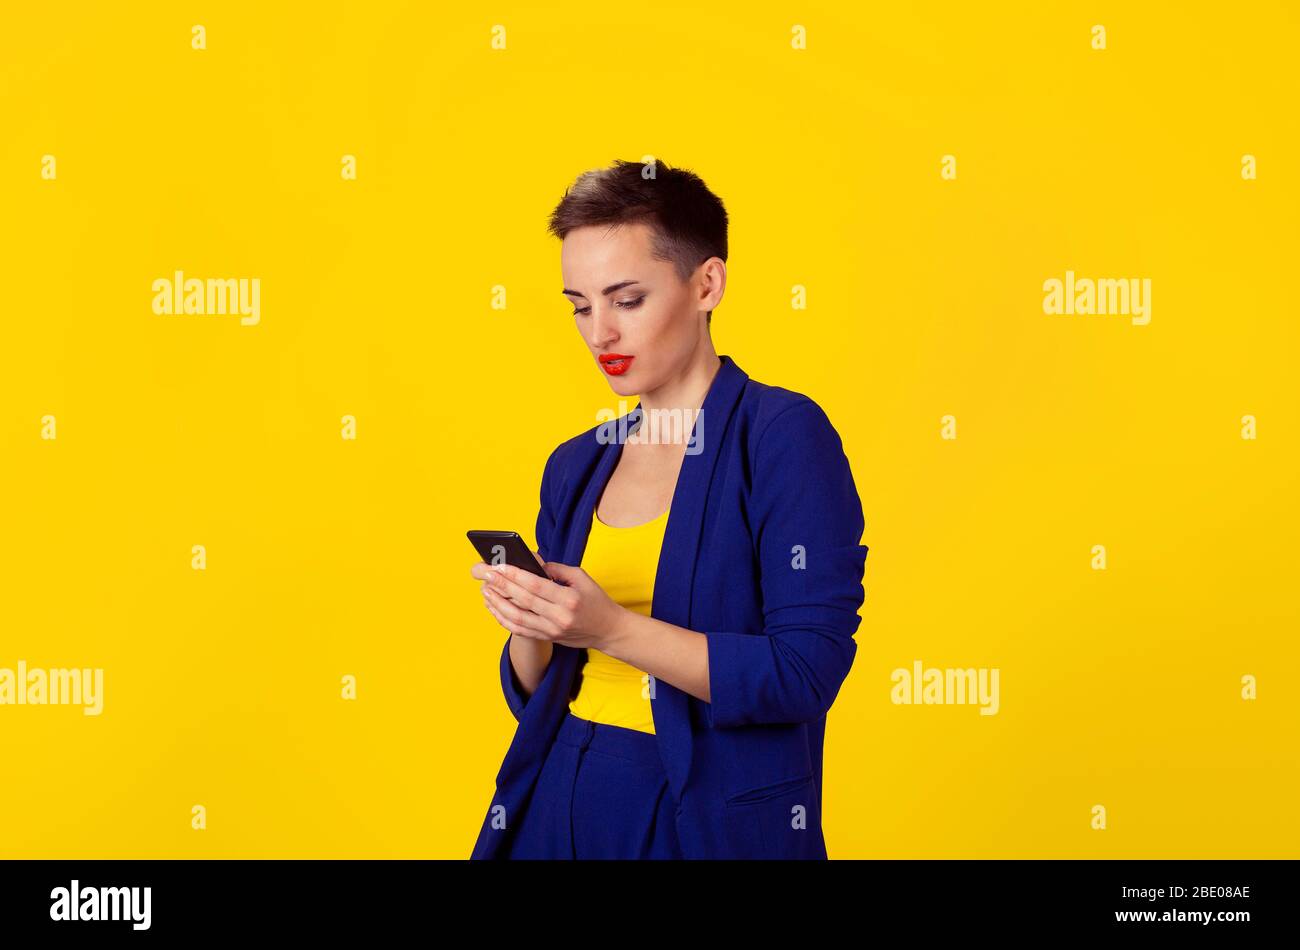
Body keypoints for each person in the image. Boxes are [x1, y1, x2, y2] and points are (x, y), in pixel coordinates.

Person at [470, 158, 868, 859]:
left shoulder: (781, 436)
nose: (599, 335)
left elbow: (805, 672)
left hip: (700, 813)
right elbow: (539, 692)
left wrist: (612, 628)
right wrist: (531, 620)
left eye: (627, 300)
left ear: (706, 283)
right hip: (556, 791)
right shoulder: (576, 462)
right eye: (580, 305)